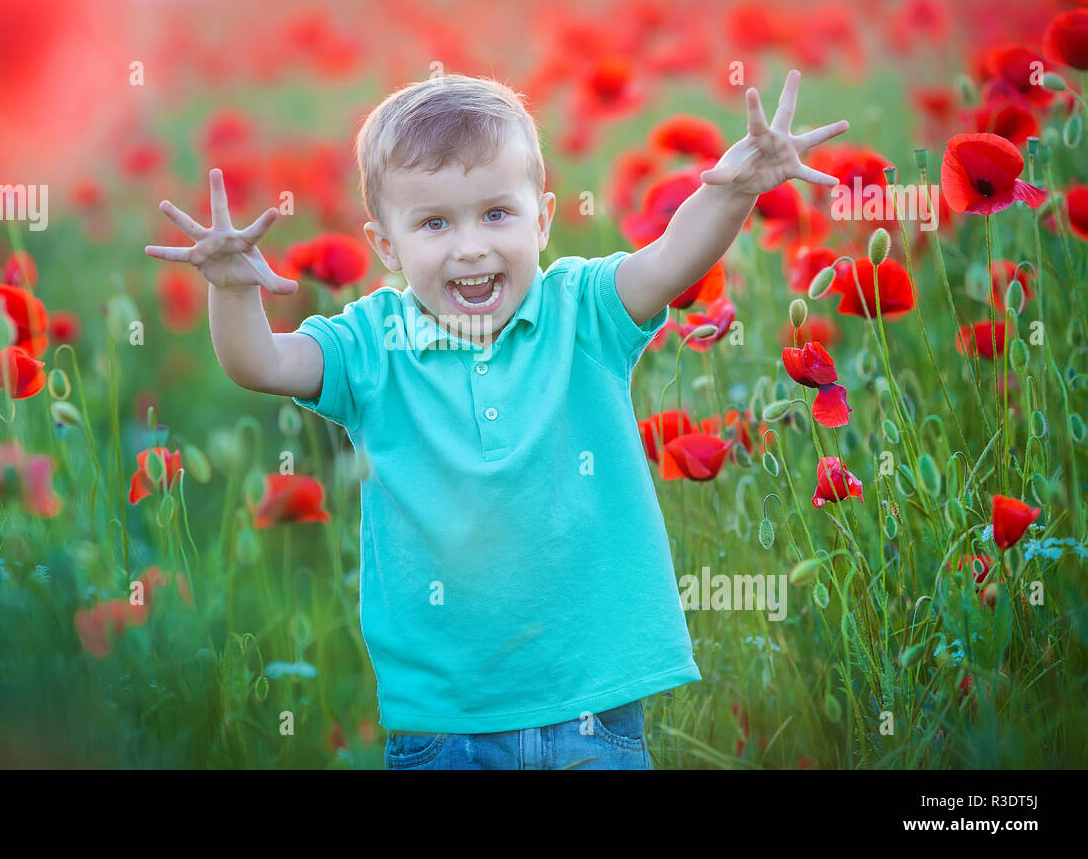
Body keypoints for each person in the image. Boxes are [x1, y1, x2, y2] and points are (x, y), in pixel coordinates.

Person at [145, 70, 847, 769]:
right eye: (434, 223)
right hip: (446, 724)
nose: (471, 246)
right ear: (386, 245)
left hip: (592, 709)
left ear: (541, 219)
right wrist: (234, 291)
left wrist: (734, 189)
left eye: (496, 214)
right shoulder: (370, 343)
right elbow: (261, 364)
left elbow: (670, 261)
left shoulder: (584, 311)